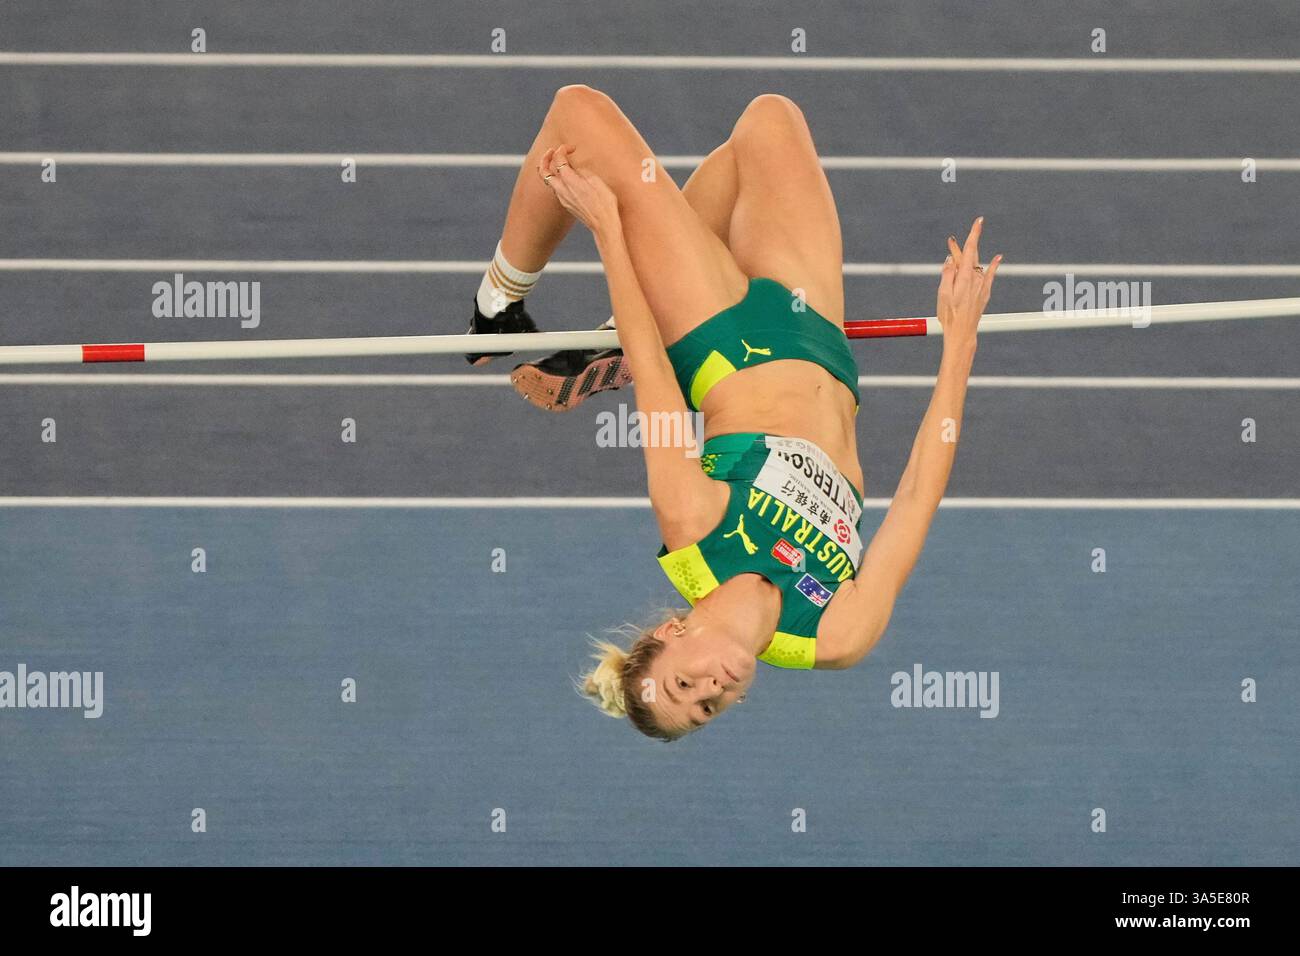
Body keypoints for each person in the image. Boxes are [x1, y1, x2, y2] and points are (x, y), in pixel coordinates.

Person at [466, 86, 1000, 739]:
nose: (710, 687)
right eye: (706, 707)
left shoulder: (695, 529)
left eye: (684, 683)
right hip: (815, 332)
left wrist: (611, 232)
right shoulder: (835, 632)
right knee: (770, 123)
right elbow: (918, 497)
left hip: (720, 339)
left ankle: (497, 303)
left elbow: (657, 386)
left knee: (579, 114)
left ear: (673, 631)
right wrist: (959, 343)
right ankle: (647, 294)